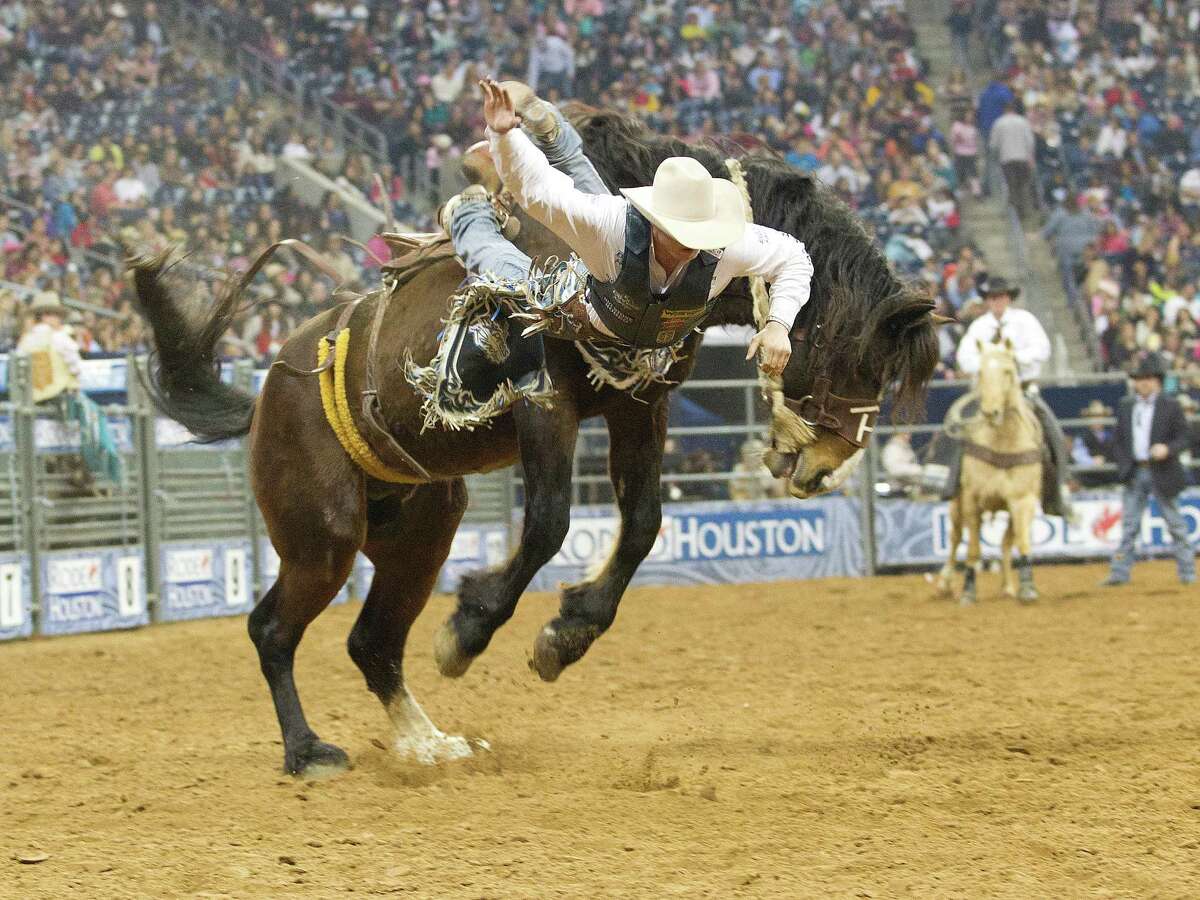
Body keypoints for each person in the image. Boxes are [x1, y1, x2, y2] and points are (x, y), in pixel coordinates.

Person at [439, 80, 815, 378]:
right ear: (655, 221)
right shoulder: (611, 222)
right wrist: (506, 137)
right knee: (503, 272)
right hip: (582, 305)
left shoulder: (730, 245)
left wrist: (779, 324)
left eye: (699, 234)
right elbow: (541, 193)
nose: (691, 246)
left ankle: (554, 133)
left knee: (583, 193)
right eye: (680, 232)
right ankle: (469, 214)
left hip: (644, 320)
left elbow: (795, 257)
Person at [945, 275, 1072, 517]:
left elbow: (1042, 349)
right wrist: (989, 364)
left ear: (1008, 298)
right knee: (962, 431)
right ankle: (952, 483)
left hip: (1022, 391)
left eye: (1001, 297)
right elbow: (965, 357)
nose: (997, 301)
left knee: (1051, 430)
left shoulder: (1025, 321)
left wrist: (1013, 360)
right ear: (988, 301)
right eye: (993, 298)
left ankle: (1060, 486)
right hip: (988, 393)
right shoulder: (979, 326)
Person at [1101, 355, 1196, 586]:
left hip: (1161, 470)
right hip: (1136, 470)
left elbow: (1185, 436)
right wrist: (1125, 464)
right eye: (1139, 379)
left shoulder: (1170, 405)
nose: (1142, 383)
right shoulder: (1126, 406)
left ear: (1157, 382)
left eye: (1147, 379)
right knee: (1129, 526)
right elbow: (1119, 439)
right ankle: (1119, 572)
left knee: (1175, 524)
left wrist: (1168, 449)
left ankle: (1187, 572)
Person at [1072, 399, 1115, 488]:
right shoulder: (1082, 437)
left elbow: (1117, 454)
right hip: (1089, 480)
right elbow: (1078, 455)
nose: (1097, 420)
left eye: (1100, 416)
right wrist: (1091, 462)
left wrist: (1106, 460)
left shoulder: (1112, 436)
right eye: (1093, 416)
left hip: (1110, 480)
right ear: (1088, 418)